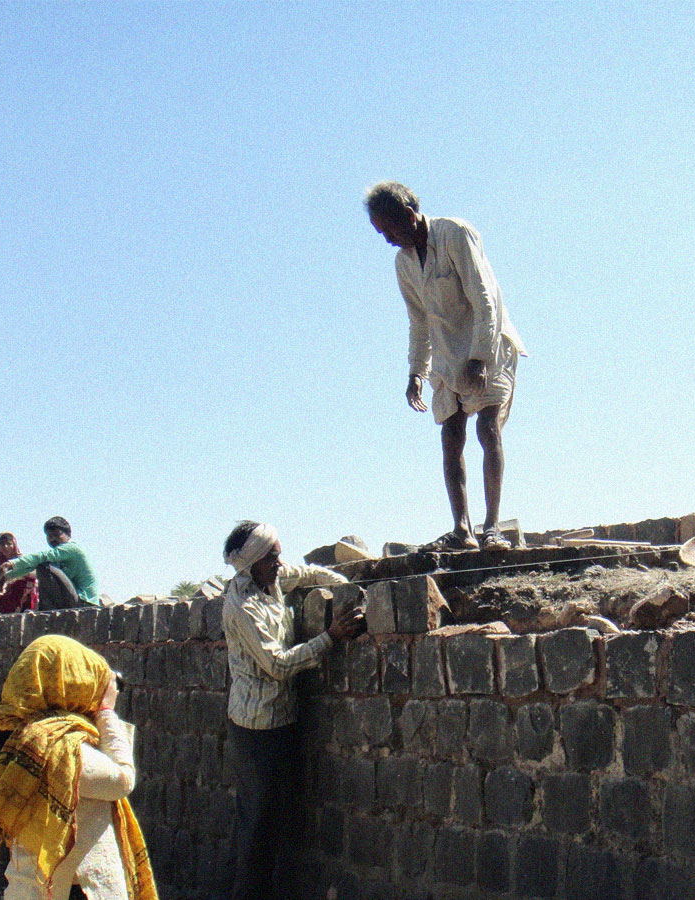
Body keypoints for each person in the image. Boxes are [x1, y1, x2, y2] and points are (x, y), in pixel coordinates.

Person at [365, 181, 526, 552]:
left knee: (488, 428)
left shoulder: (455, 233)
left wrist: (480, 356)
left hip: (486, 343)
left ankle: (492, 528)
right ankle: (461, 530)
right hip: (446, 356)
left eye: (390, 229)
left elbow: (485, 296)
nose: (387, 239)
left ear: (409, 215)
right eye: (381, 233)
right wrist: (415, 373)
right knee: (451, 436)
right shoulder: (403, 263)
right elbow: (418, 320)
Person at [221, 521, 365, 900]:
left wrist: (345, 586)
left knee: (267, 821)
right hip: (256, 729)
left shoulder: (273, 580)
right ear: (251, 563)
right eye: (271, 556)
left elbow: (308, 573)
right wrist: (329, 638)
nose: (279, 561)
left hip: (279, 720)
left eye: (278, 552)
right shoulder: (243, 605)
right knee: (259, 828)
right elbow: (278, 664)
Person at [0, 634, 156, 900]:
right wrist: (106, 712)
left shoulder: (17, 739)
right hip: (74, 889)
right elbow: (122, 779)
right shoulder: (60, 747)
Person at [0, 516, 99, 609]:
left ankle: (47, 609)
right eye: (49, 536)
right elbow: (31, 567)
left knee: (44, 566)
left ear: (67, 534)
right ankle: (47, 609)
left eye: (57, 535)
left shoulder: (71, 548)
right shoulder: (59, 557)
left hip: (84, 601)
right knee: (41, 565)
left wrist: (11, 564)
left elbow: (42, 557)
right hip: (74, 598)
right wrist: (7, 576)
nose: (52, 539)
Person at [0, 532, 39, 614]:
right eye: (2, 544)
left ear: (14, 545)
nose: (5, 547)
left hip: (21, 596)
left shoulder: (22, 560)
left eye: (9, 544)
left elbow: (34, 574)